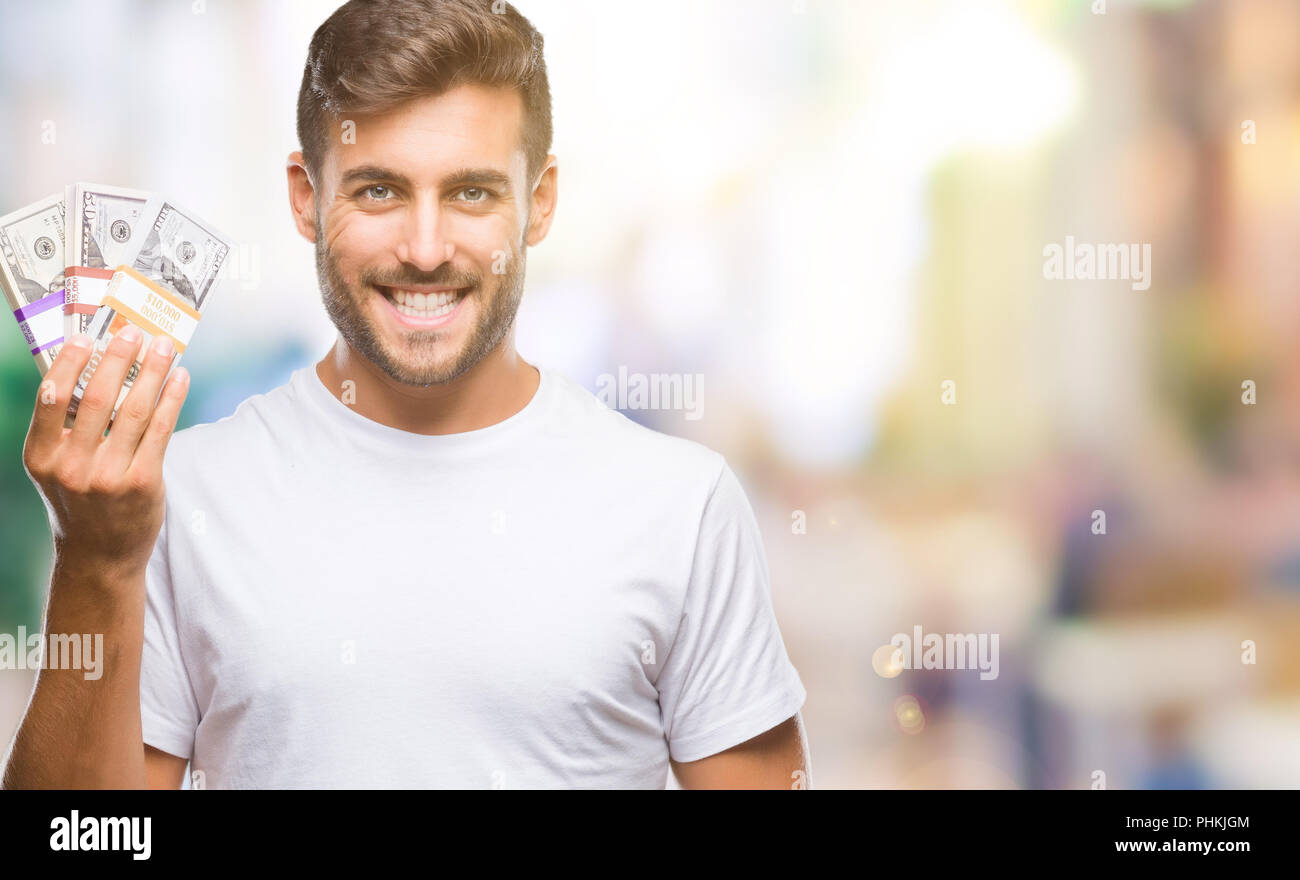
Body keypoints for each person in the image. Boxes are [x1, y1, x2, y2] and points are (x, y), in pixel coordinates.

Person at [3, 0, 809, 789]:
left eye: (472, 193)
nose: (426, 250)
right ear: (305, 197)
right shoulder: (178, 500)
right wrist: (97, 562)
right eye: (379, 191)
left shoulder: (683, 506)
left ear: (542, 201)